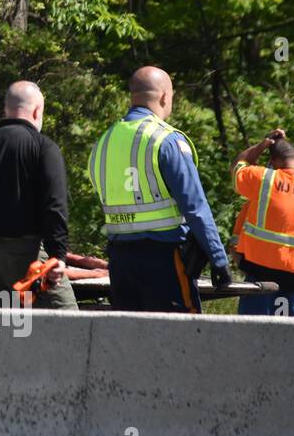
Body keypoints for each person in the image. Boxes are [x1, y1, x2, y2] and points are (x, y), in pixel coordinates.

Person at [87, 66, 229, 312]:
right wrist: (218, 258)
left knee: (131, 338)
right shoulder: (165, 140)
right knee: (180, 337)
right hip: (163, 259)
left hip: (120, 261)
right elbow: (195, 206)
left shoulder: (104, 142)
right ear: (165, 96)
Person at [0, 81, 77, 310]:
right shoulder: (43, 147)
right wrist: (58, 257)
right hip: (27, 256)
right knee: (70, 324)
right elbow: (55, 206)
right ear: (37, 110)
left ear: (6, 109)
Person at [232, 129, 294, 317]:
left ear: (272, 161)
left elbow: (239, 165)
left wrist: (262, 144)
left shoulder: (263, 179)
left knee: (254, 338)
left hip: (260, 278)